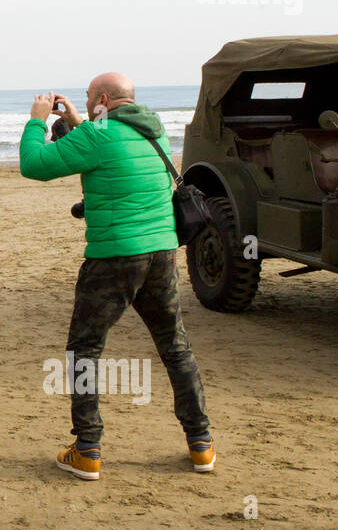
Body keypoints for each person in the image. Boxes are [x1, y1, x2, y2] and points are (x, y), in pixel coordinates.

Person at [19, 72, 213, 481]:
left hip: (113, 258)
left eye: (89, 98)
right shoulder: (154, 132)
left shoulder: (99, 134)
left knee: (84, 350)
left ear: (103, 99)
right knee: (175, 348)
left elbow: (34, 165)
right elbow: (106, 152)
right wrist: (76, 118)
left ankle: (87, 449)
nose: (87, 103)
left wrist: (37, 120)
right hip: (161, 254)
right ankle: (201, 444)